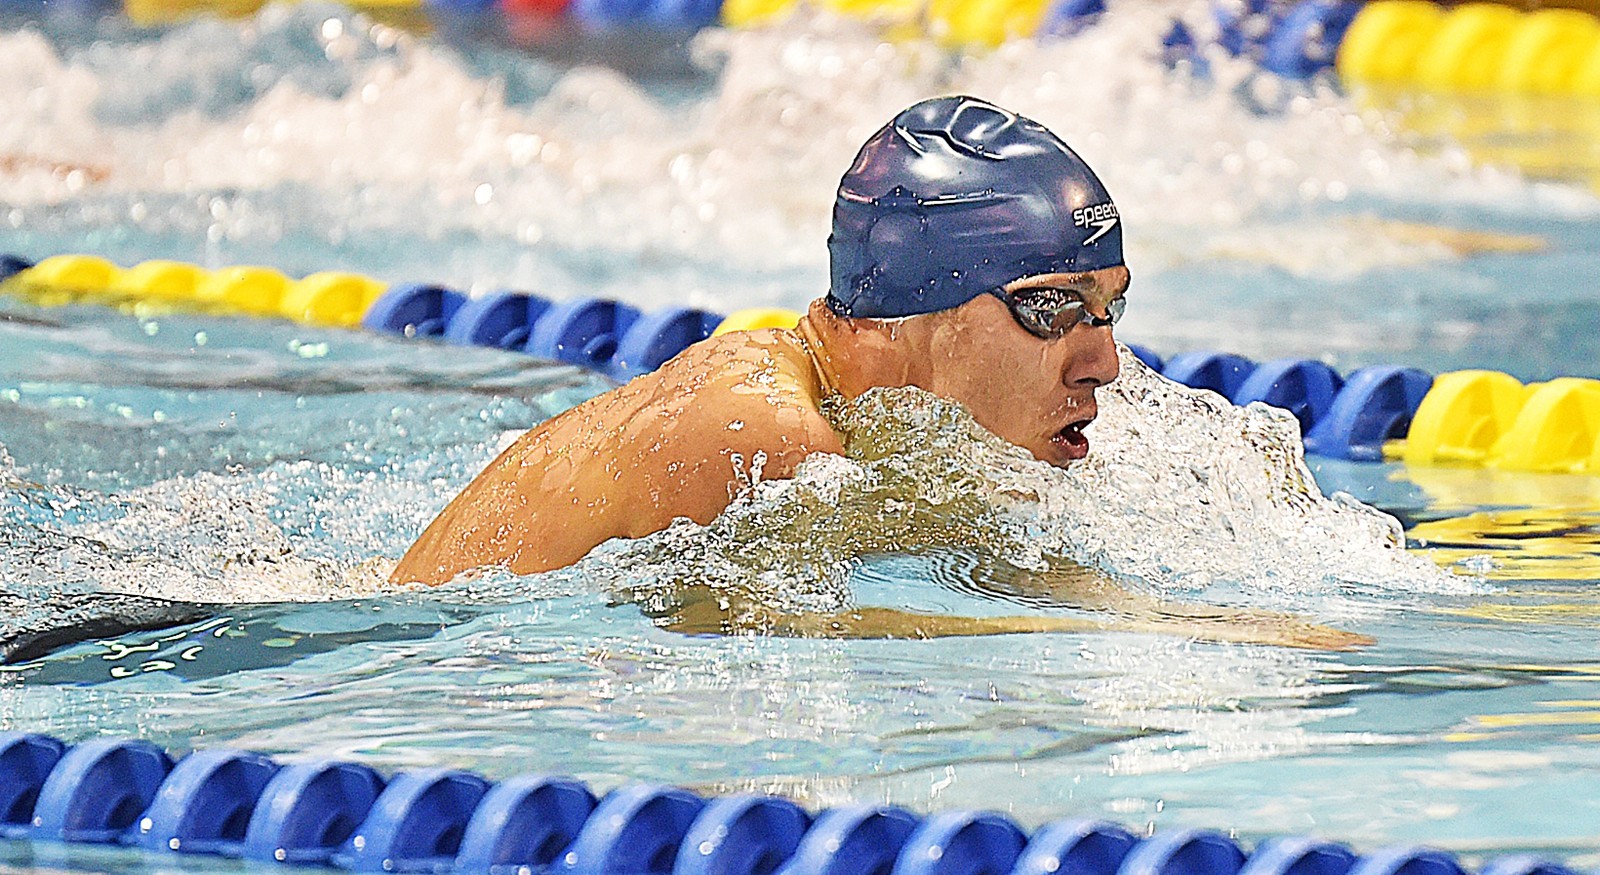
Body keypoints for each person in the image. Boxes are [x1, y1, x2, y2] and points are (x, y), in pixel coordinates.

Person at [392, 95, 1368, 650]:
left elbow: (986, 556)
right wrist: (1140, 642)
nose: (1103, 361)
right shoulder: (764, 432)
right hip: (410, 666)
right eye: (1049, 308)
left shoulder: (886, 422)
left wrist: (1190, 615)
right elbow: (742, 635)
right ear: (912, 319)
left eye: (1108, 305)